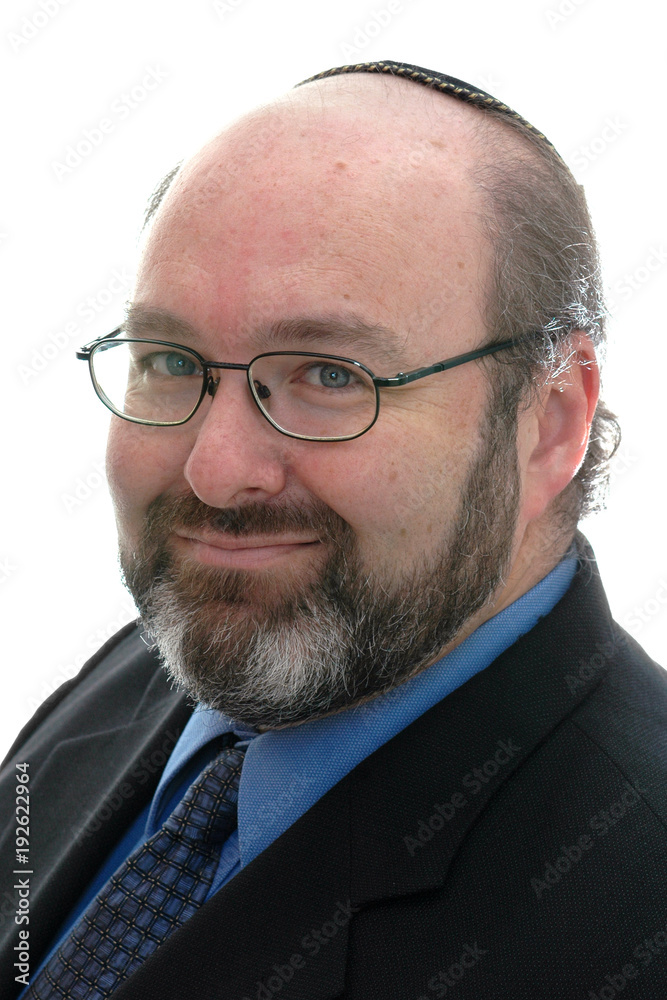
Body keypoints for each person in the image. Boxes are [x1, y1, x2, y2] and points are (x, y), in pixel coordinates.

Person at [2, 60, 666, 999]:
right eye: (169, 360)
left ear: (550, 418)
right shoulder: (147, 669)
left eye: (329, 375)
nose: (217, 473)